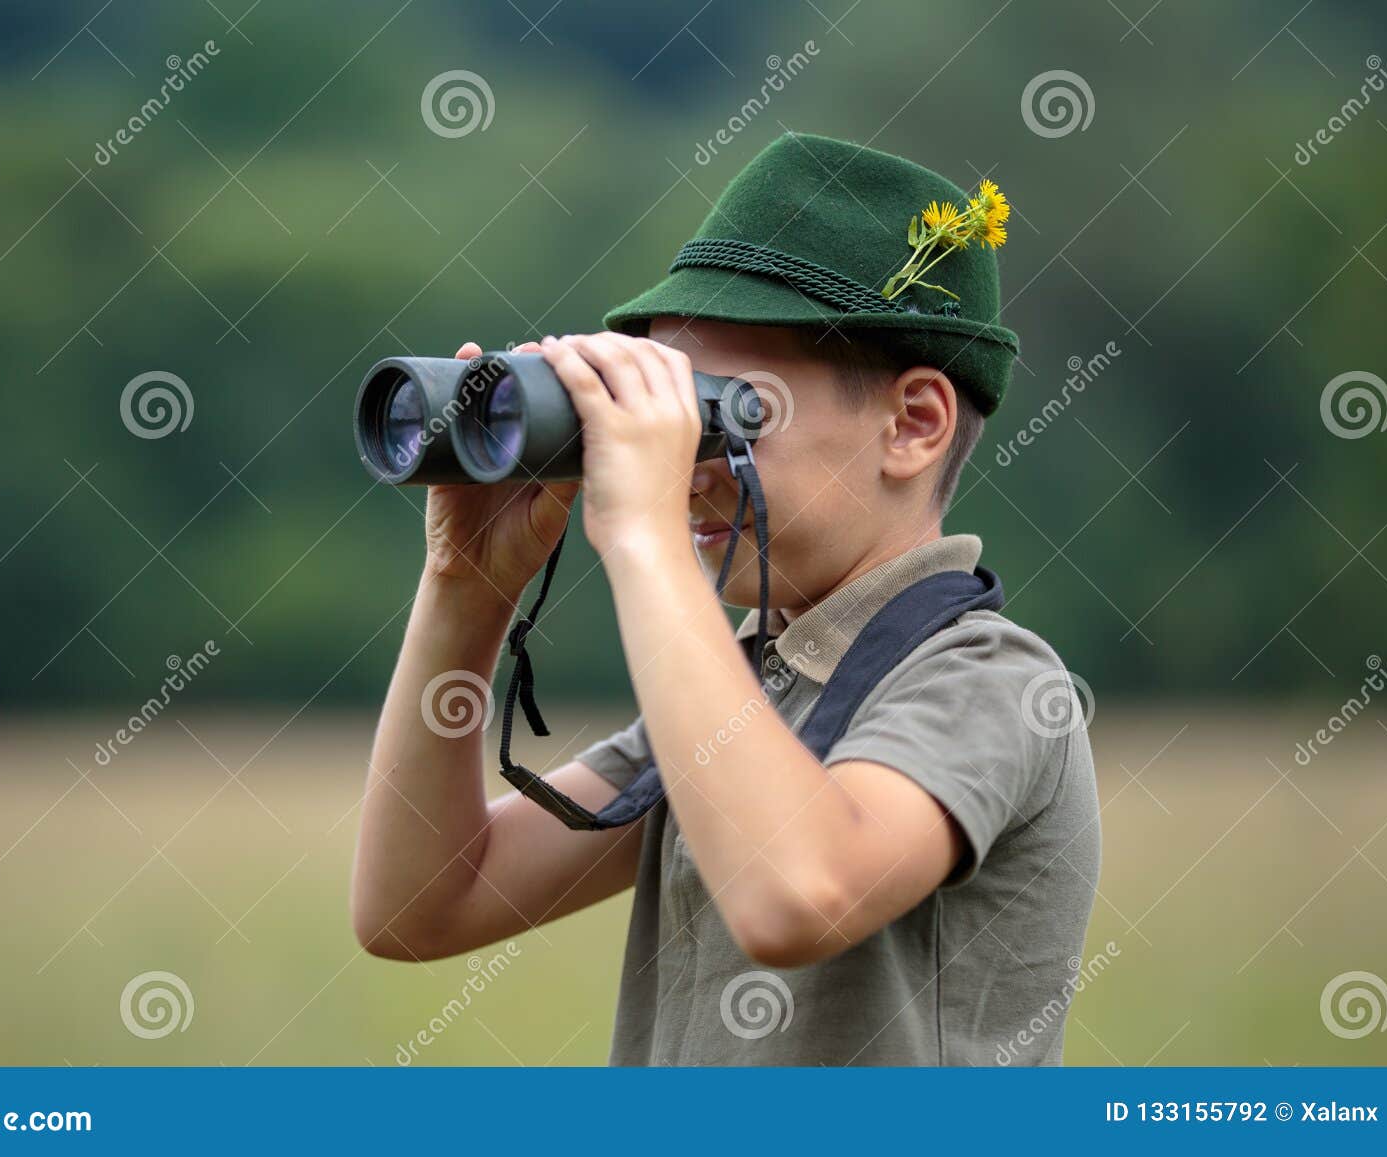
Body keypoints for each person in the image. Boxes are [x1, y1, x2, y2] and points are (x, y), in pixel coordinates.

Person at [351, 132, 1099, 1066]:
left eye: (725, 413)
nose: (689, 468)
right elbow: (421, 904)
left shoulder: (989, 681)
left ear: (912, 424)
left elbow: (797, 894)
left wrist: (642, 534)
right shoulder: (750, 690)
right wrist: (468, 587)